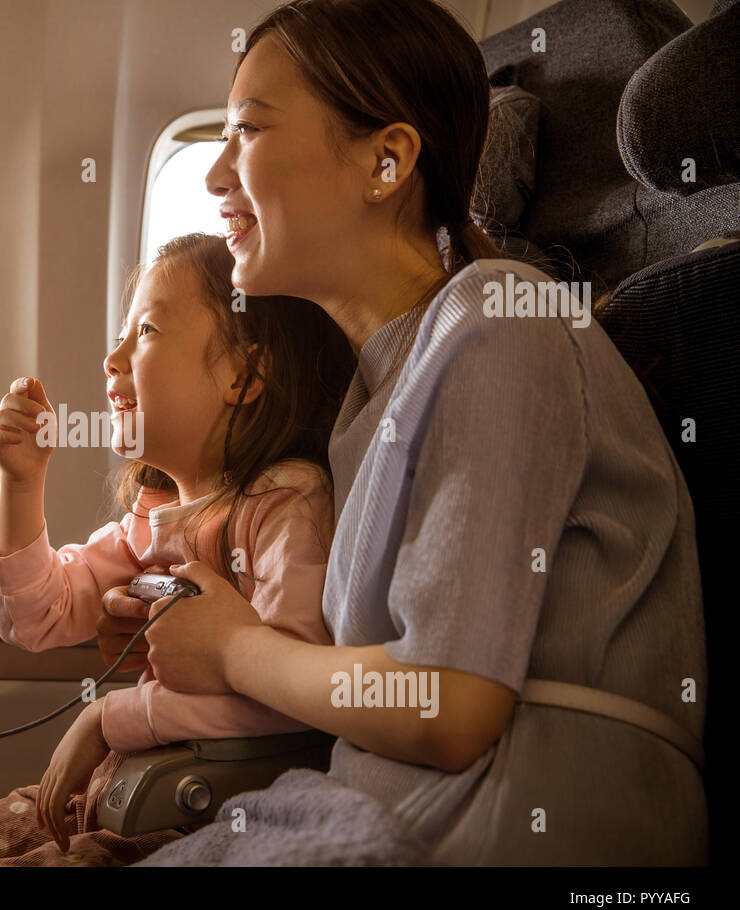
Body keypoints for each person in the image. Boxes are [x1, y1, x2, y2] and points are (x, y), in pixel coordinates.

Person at [106, 0, 708, 866]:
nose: (214, 179)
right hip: (395, 805)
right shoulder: (374, 393)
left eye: (247, 131)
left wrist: (235, 648)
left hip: (522, 818)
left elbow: (449, 706)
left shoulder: (500, 321)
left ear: (386, 161)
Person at [0, 232, 355, 866]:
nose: (112, 359)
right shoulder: (152, 522)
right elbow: (38, 617)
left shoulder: (285, 507)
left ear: (243, 375)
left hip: (195, 811)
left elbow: (293, 690)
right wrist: (22, 482)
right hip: (114, 792)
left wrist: (108, 717)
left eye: (145, 333)